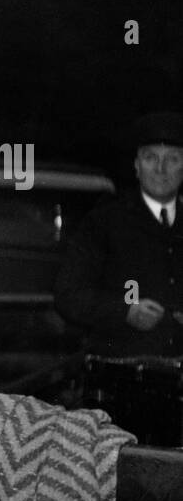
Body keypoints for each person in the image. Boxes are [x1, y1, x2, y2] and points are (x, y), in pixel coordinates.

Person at [55, 110, 183, 358]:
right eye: (150, 158)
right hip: (122, 373)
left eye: (173, 159)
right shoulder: (105, 222)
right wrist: (125, 311)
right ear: (136, 166)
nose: (160, 168)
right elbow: (69, 294)